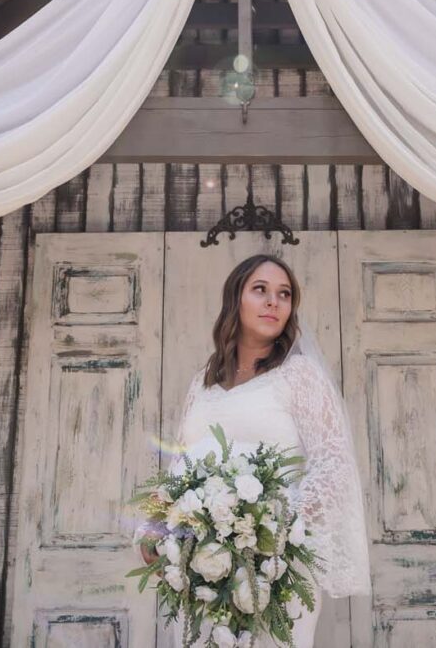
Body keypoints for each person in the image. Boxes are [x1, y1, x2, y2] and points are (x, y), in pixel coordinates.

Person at [141, 253, 372, 646]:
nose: (273, 302)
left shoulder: (300, 376)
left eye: (284, 294)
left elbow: (333, 462)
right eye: (260, 290)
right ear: (236, 299)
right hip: (203, 569)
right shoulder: (203, 382)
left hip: (277, 568)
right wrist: (158, 528)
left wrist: (273, 527)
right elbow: (182, 465)